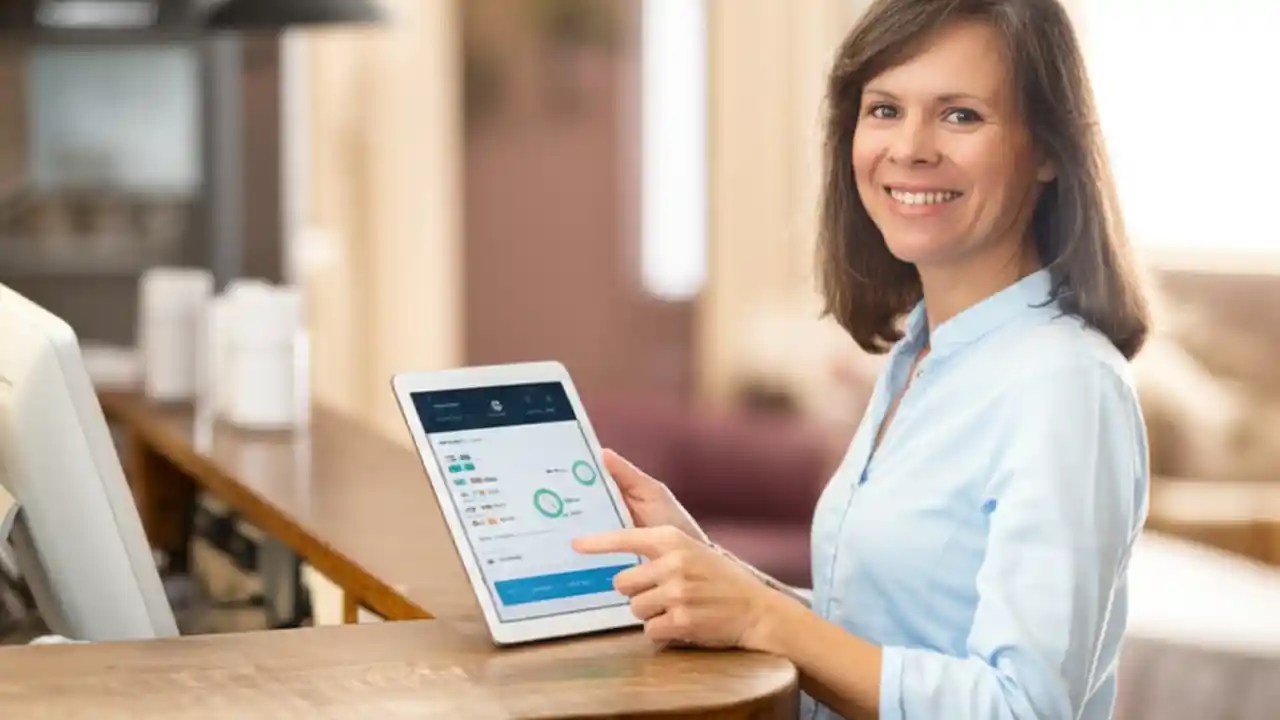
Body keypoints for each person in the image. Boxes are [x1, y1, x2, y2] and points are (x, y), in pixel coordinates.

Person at [573, 0, 1152, 718]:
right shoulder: (923, 355)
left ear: (1048, 150)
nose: (909, 147)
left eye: (961, 115)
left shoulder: (1065, 385)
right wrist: (712, 570)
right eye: (884, 110)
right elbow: (880, 639)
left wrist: (761, 617)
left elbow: (1022, 707)